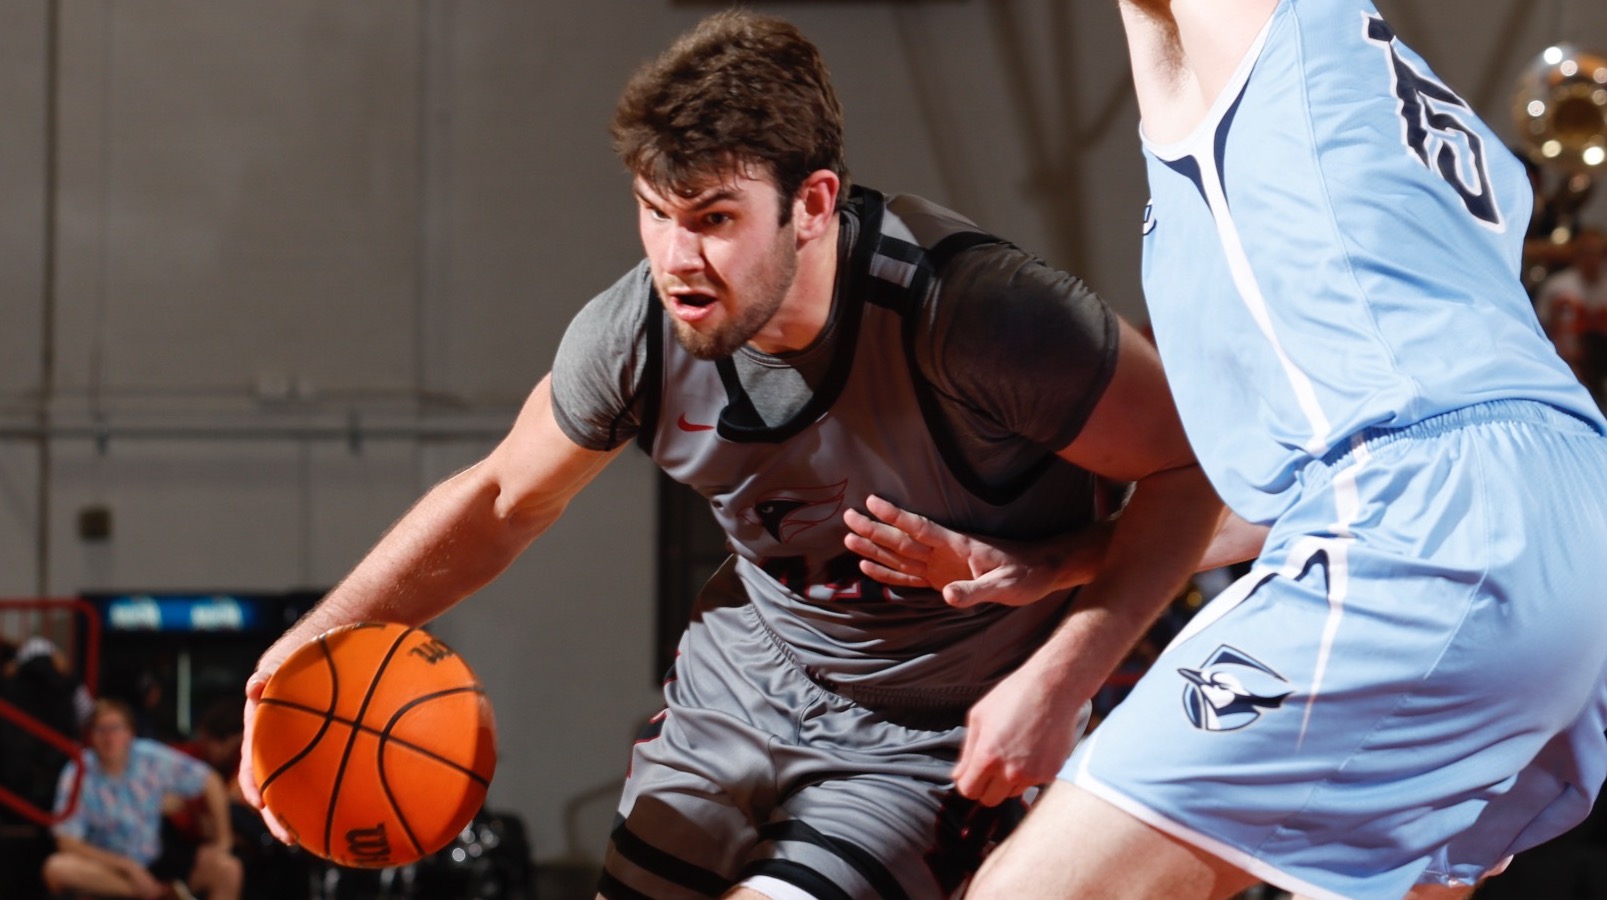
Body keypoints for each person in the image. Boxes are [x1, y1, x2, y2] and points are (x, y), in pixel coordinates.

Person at [234, 10, 1253, 899]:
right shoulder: (636, 331)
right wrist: (303, 649)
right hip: (743, 687)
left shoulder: (977, 314)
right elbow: (502, 499)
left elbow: (1198, 470)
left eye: (714, 220)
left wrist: (1062, 674)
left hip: (922, 735)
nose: (677, 260)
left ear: (811, 204)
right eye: (653, 213)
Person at [944, 2, 1607, 898]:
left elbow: (1396, 448)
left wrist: (1065, 671)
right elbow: (1307, 476)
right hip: (1557, 518)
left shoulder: (1266, 30)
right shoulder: (1339, 91)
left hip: (1429, 519)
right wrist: (1072, 559)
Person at [43, 699, 242, 900]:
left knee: (228, 868)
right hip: (107, 865)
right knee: (57, 868)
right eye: (100, 730)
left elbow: (210, 780)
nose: (109, 738)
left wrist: (223, 841)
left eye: (115, 729)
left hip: (159, 859)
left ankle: (160, 888)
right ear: (90, 736)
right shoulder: (77, 771)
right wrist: (128, 867)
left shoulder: (149, 757)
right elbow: (66, 842)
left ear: (130, 733)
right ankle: (161, 893)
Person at [1534, 226, 1607, 401]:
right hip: (1564, 366)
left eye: (1597, 253)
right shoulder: (1556, 287)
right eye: (1586, 253)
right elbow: (1540, 330)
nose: (1591, 259)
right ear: (1576, 255)